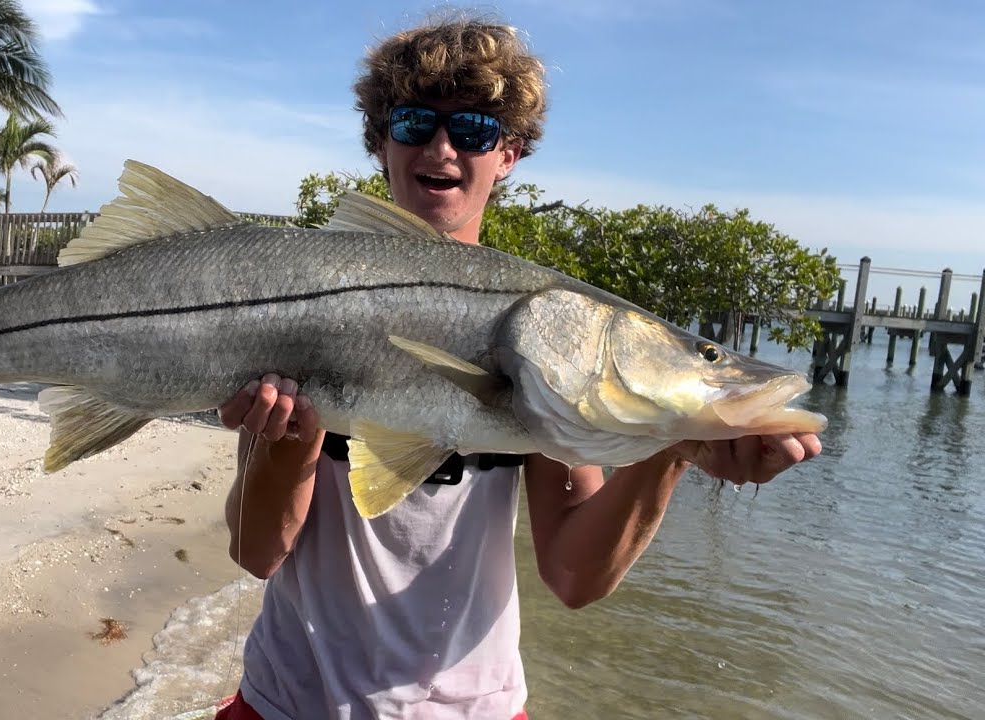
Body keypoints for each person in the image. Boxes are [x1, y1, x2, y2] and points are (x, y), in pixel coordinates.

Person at [213, 15, 822, 720]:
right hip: (288, 703)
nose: (441, 146)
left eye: (473, 129)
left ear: (509, 154)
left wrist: (673, 446)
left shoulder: (552, 333)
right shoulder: (304, 300)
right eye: (413, 122)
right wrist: (289, 443)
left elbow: (572, 575)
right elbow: (257, 552)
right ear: (381, 144)